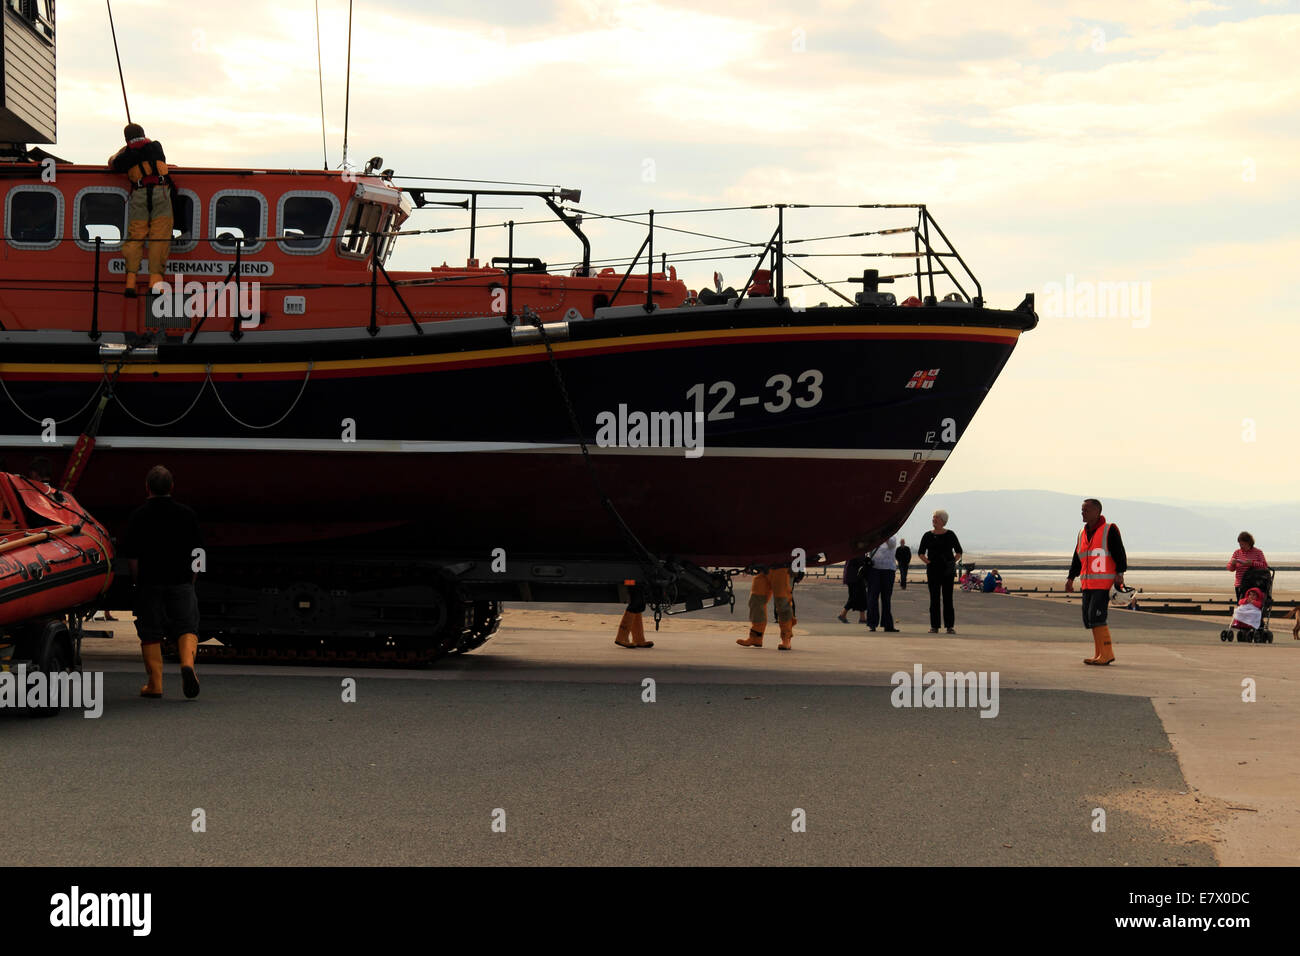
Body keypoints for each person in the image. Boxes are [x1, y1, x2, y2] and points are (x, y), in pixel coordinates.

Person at [121, 465, 203, 698]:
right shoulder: (187, 514)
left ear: (147, 488)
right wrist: (192, 578)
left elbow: (132, 556)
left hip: (150, 581)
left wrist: (137, 581)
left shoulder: (139, 515)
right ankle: (187, 664)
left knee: (150, 630)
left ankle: (155, 684)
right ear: (172, 488)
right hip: (182, 580)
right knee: (187, 625)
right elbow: (199, 551)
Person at [108, 123, 174, 296]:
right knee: (160, 237)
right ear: (144, 134)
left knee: (135, 237)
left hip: (139, 195)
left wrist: (125, 148)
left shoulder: (126, 156)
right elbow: (150, 146)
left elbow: (112, 163)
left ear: (126, 139)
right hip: (162, 195)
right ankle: (155, 283)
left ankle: (130, 282)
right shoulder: (156, 147)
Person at [1065, 498, 1127, 665]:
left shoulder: (1109, 530)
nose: (1082, 513)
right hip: (1088, 584)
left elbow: (1120, 553)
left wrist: (1120, 573)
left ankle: (1107, 654)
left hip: (1103, 584)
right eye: (1082, 509)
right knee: (1089, 619)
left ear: (1096, 512)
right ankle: (1099, 654)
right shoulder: (1082, 533)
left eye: (1086, 510)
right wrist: (1071, 578)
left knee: (1097, 617)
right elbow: (1077, 559)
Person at [918, 510, 962, 633]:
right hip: (933, 570)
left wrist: (952, 562)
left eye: (936, 518)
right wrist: (928, 562)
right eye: (933, 518)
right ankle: (934, 626)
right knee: (934, 598)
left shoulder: (950, 534)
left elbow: (959, 551)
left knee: (948, 598)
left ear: (943, 520)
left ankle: (949, 626)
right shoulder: (927, 535)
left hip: (947, 571)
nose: (934, 520)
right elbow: (921, 553)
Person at [737, 566, 796, 650]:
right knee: (756, 600)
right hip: (762, 567)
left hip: (783, 567)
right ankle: (756, 636)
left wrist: (799, 569)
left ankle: (786, 638)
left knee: (782, 602)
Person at [865, 537, 899, 633]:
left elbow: (891, 545)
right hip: (874, 570)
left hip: (888, 570)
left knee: (886, 599)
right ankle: (872, 624)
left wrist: (884, 535)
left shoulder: (892, 538)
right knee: (872, 598)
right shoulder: (873, 537)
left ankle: (887, 625)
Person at [1226, 532, 1268, 600]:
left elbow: (1265, 565)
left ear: (1249, 542)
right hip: (1239, 584)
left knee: (1253, 605)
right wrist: (1232, 563)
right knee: (1241, 605)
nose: (1241, 546)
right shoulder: (1237, 552)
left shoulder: (1258, 552)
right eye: (1240, 544)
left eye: (1243, 544)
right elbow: (1230, 568)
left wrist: (1252, 563)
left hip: (1254, 583)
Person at [838, 553, 868, 623]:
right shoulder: (858, 550)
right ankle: (843, 614)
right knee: (854, 596)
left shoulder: (855, 549)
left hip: (853, 576)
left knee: (862, 596)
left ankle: (862, 618)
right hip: (854, 577)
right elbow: (860, 562)